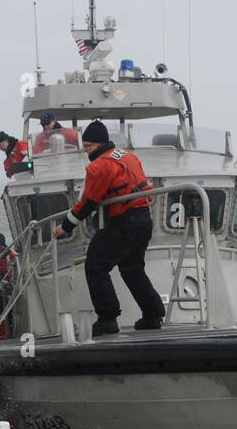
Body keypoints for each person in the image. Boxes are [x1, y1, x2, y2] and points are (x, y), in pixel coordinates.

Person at [52, 120, 164, 336]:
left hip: (125, 221)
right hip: (144, 220)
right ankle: (153, 314)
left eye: (88, 147)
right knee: (132, 269)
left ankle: (107, 317)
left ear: (99, 144)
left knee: (95, 263)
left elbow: (88, 201)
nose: (85, 152)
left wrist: (65, 226)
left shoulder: (99, 166)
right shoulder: (127, 156)